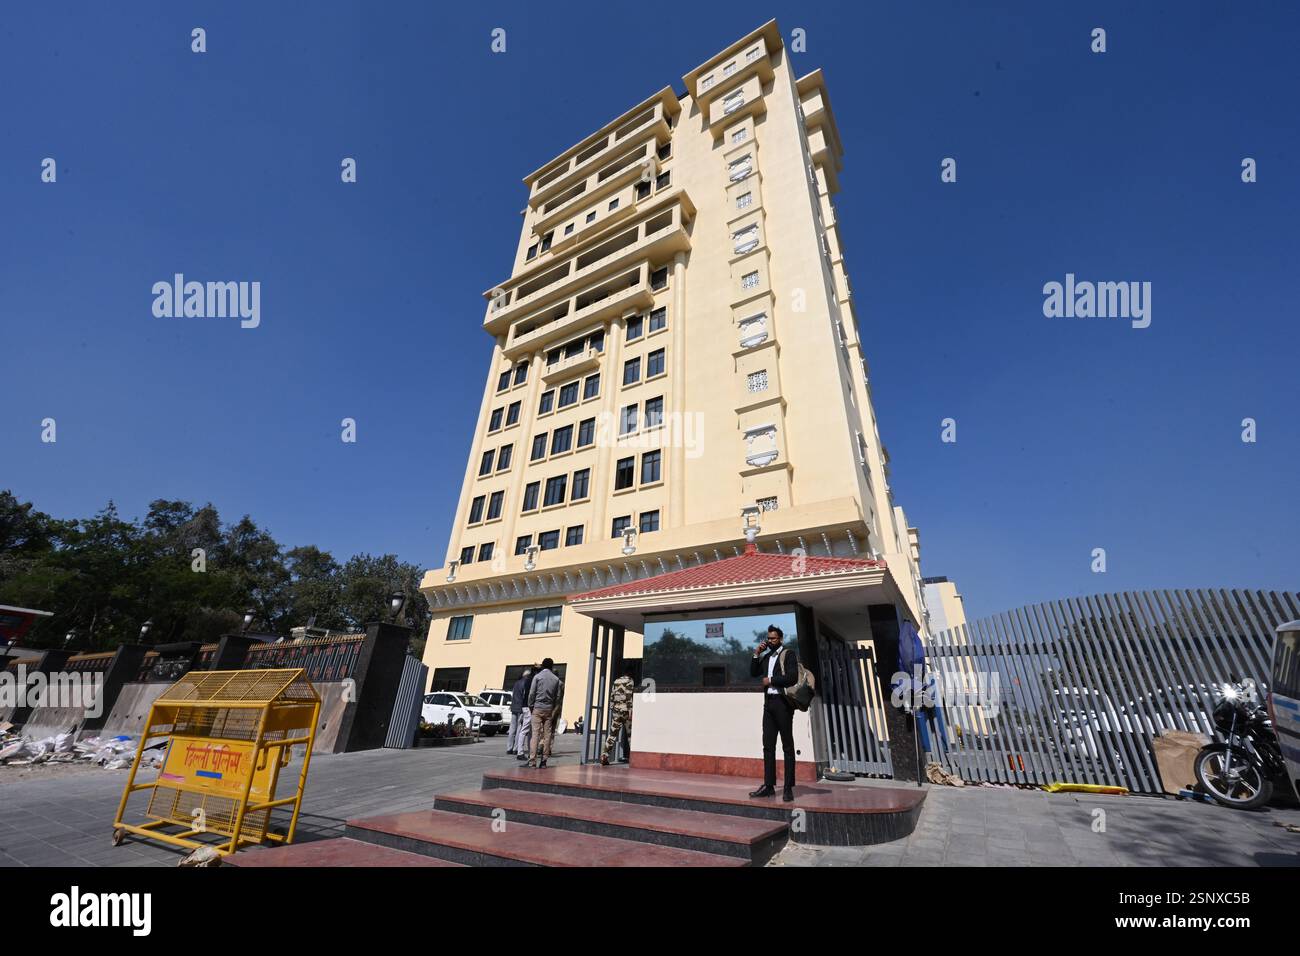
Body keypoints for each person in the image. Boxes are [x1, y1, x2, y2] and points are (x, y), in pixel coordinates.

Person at [749, 625, 798, 801]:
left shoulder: (788, 654)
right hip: (768, 705)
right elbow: (753, 673)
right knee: (768, 747)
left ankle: (788, 787)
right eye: (769, 638)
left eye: (774, 639)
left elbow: (792, 677)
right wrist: (756, 653)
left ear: (780, 639)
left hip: (783, 705)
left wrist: (771, 680)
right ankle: (769, 786)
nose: (770, 641)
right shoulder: (767, 656)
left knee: (787, 746)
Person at [526, 658, 564, 769]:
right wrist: (553, 709)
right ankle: (544, 761)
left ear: (542, 665)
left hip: (537, 708)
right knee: (547, 736)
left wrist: (531, 706)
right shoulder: (556, 679)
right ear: (552, 666)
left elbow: (532, 693)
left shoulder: (537, 677)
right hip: (548, 709)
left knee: (535, 735)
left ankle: (532, 760)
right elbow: (557, 697)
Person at [600, 663, 636, 766]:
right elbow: (629, 696)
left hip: (616, 711)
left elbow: (612, 696)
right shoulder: (630, 681)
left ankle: (605, 755)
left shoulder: (616, 681)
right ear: (630, 672)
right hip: (625, 711)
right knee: (630, 735)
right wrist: (630, 711)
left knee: (612, 735)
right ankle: (633, 757)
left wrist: (613, 708)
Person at [513, 665, 536, 760]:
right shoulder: (532, 680)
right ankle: (520, 752)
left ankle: (527, 751)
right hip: (528, 707)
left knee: (525, 729)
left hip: (523, 707)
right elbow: (530, 694)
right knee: (525, 730)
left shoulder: (526, 681)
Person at [507, 668, 530, 755]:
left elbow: (513, 695)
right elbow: (524, 696)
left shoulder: (516, 683)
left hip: (514, 707)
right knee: (519, 729)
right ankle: (515, 748)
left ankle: (509, 747)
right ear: (527, 676)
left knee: (512, 728)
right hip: (521, 708)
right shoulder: (525, 683)